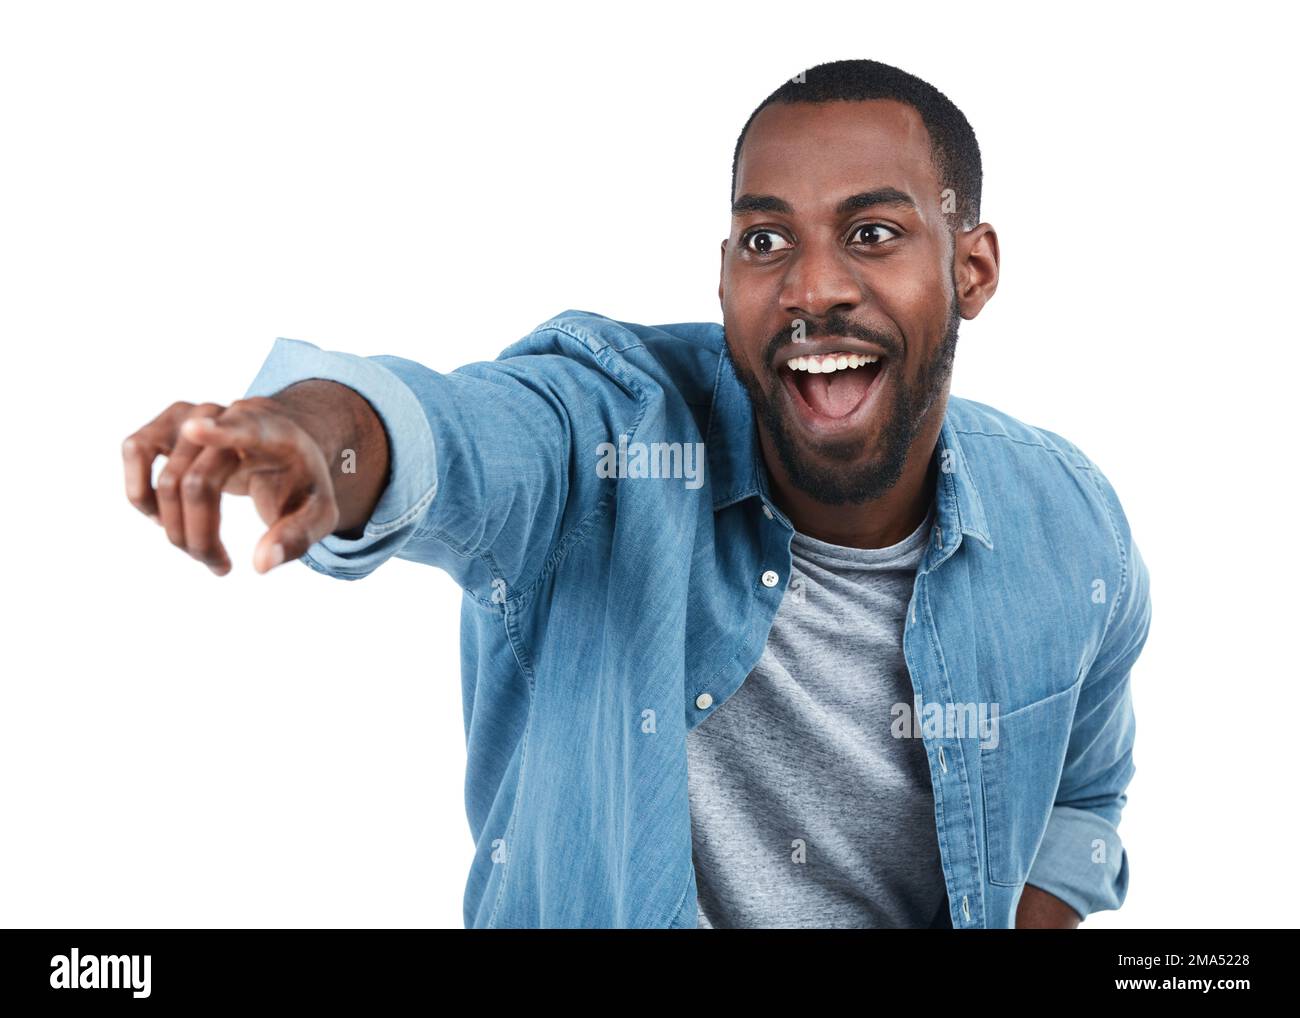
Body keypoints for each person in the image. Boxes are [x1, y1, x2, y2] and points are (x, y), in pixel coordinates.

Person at [120, 58, 1152, 928]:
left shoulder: (1068, 526)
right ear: (721, 277)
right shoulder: (612, 439)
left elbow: (1078, 801)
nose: (811, 286)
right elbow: (464, 437)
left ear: (971, 268)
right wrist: (316, 438)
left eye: (872, 233)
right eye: (765, 238)